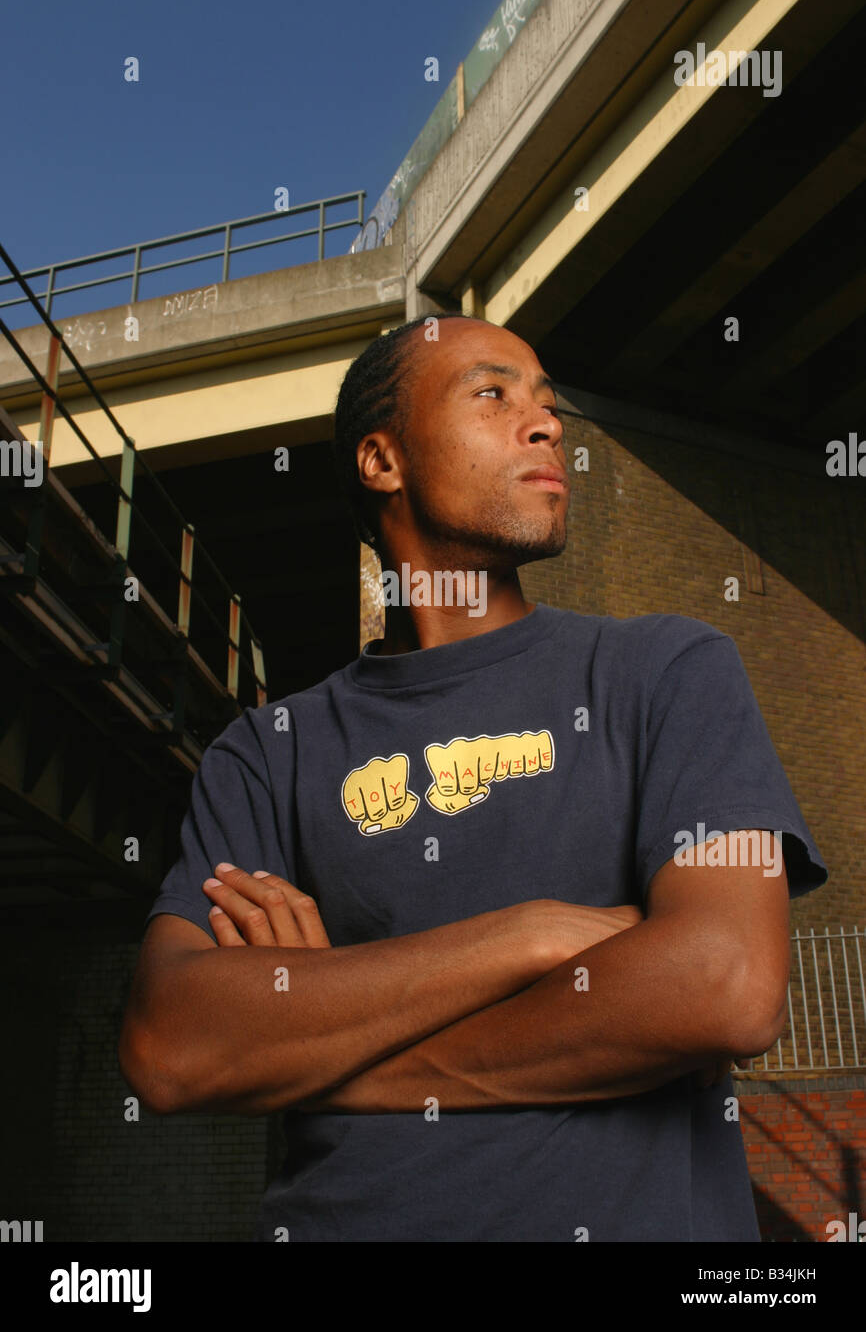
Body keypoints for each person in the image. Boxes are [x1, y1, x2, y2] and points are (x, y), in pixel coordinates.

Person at [119, 313, 827, 1242]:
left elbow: (723, 984)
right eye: (493, 395)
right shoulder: (269, 751)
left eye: (547, 405)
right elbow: (171, 1049)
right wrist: (528, 938)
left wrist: (334, 1041)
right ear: (382, 460)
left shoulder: (665, 673)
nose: (546, 426)